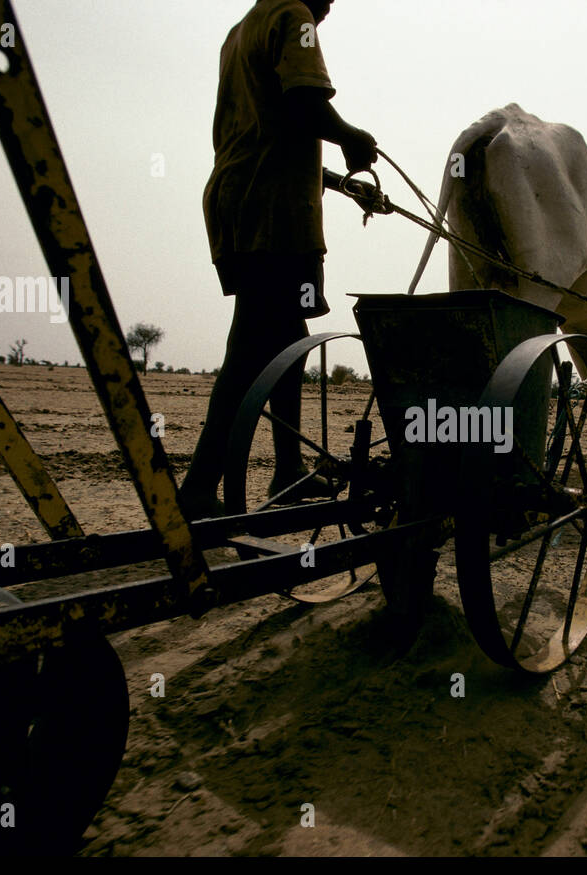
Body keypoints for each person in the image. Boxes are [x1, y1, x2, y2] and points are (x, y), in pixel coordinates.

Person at [180, 0, 377, 519]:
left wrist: (341, 183)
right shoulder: (294, 17)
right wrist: (352, 139)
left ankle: (287, 468)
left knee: (287, 339)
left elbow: (274, 128)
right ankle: (199, 487)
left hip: (242, 196)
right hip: (273, 210)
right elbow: (306, 103)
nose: (333, 1)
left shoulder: (240, 31)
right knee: (250, 347)